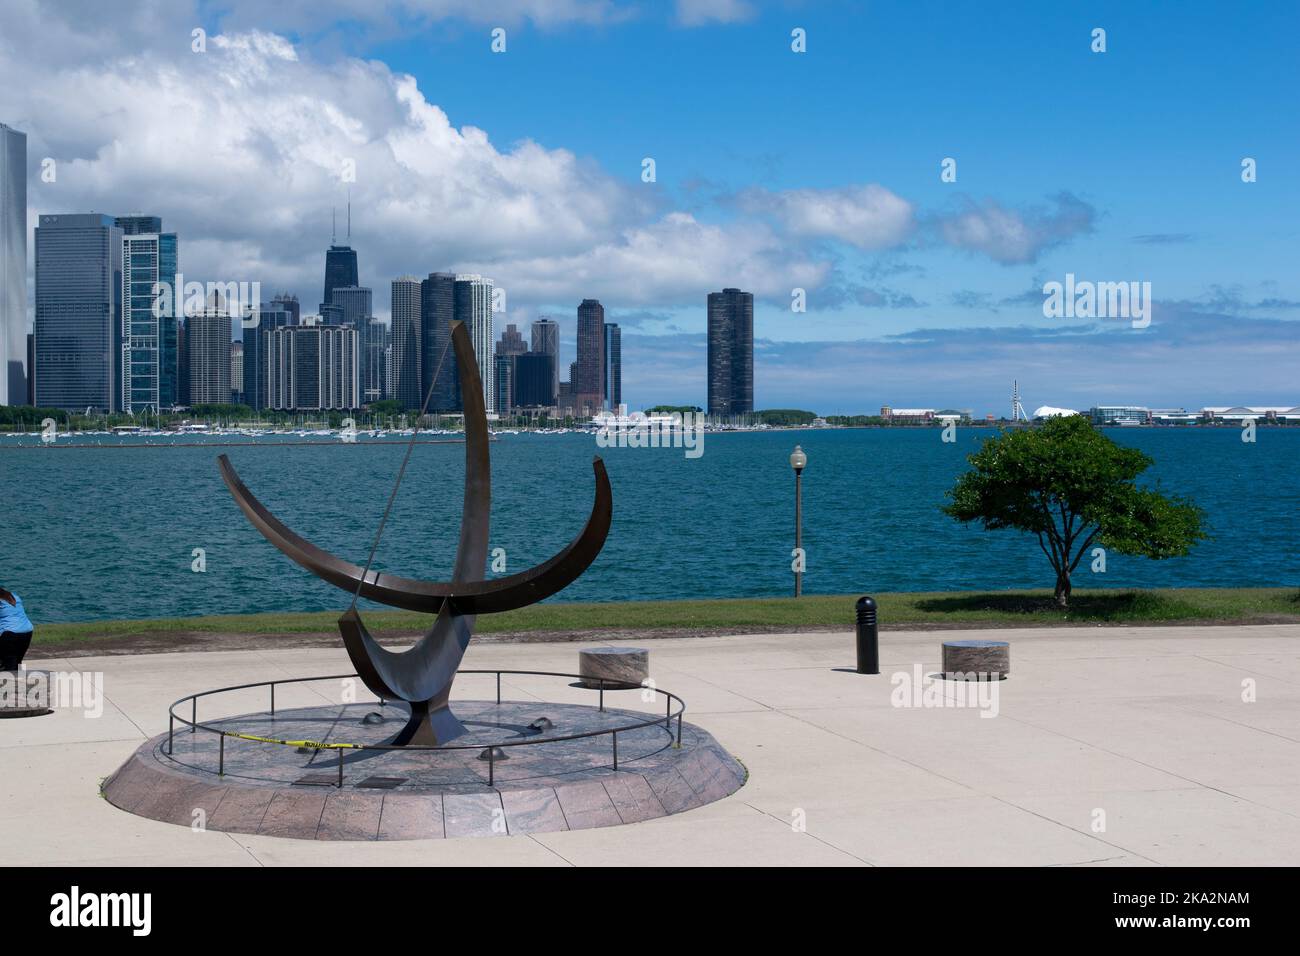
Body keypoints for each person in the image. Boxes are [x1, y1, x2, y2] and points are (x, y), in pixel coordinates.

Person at [0, 586, 35, 670]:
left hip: (10, 634)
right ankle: (22, 680)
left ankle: (10, 680)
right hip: (27, 631)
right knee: (18, 661)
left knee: (9, 663)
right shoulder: (14, 597)